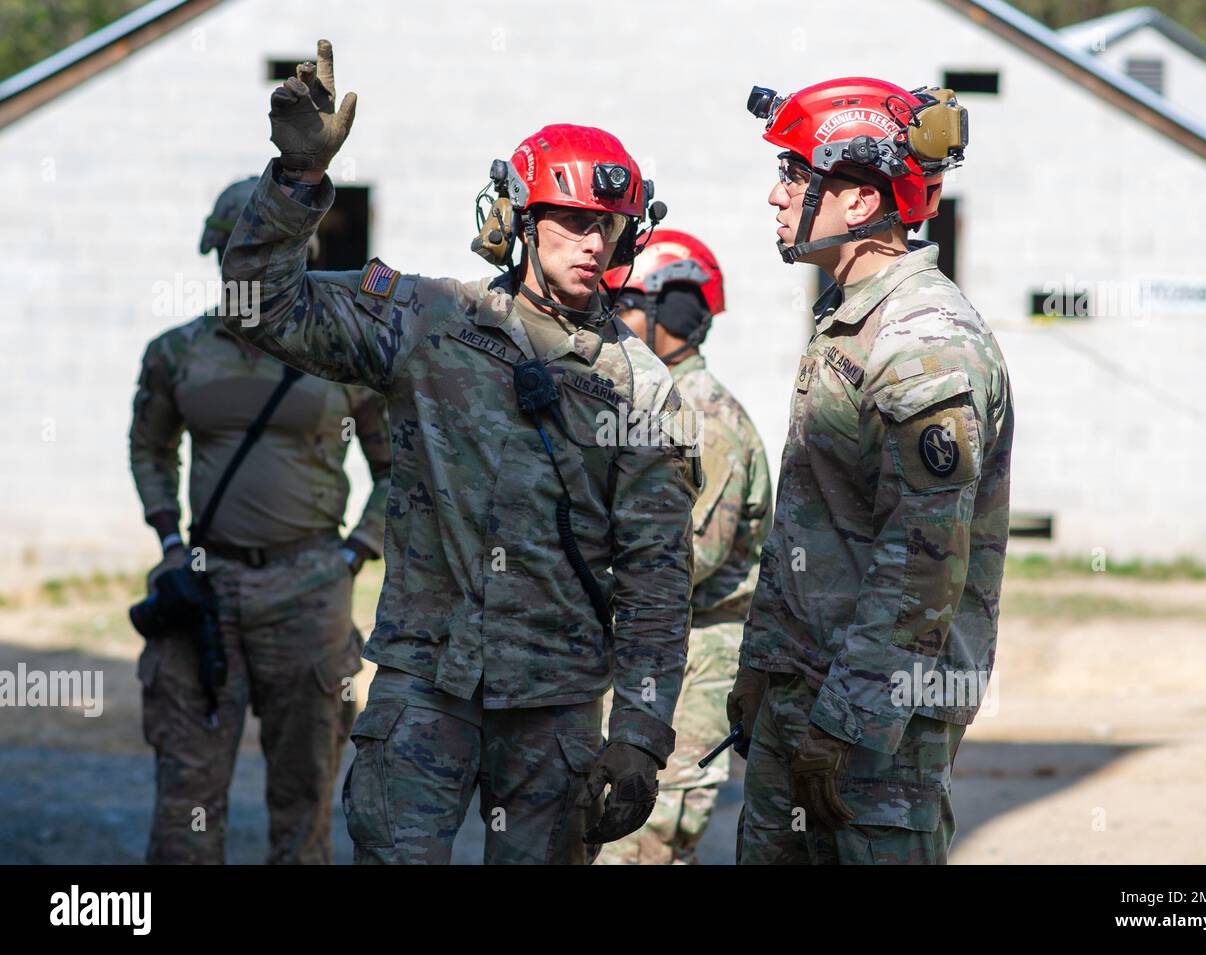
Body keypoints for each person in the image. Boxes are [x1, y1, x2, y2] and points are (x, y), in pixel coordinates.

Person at [218, 40, 698, 864]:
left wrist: (642, 736)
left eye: (608, 227)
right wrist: (294, 183)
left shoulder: (640, 389)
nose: (591, 243)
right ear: (517, 221)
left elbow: (657, 577)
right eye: (571, 221)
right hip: (425, 685)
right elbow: (255, 307)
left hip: (556, 713)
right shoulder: (426, 319)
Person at [728, 78, 1014, 864]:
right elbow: (815, 522)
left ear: (858, 202)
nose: (774, 195)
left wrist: (845, 724)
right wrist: (762, 668)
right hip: (805, 699)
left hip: (872, 733)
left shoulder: (924, 342)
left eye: (792, 172)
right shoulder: (852, 319)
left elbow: (922, 563)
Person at [129, 175, 390, 864]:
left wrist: (357, 550)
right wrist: (167, 538)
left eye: (271, 253)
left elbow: (402, 465)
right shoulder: (178, 352)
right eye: (241, 251)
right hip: (203, 586)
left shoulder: (344, 350)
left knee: (304, 799)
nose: (251, 266)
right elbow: (151, 446)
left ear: (301, 254)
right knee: (186, 797)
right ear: (218, 252)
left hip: (310, 586)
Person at [596, 230, 772, 864]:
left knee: (644, 845)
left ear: (669, 314)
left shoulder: (703, 420)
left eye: (625, 307)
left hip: (695, 662)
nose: (611, 322)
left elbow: (683, 565)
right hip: (651, 656)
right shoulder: (649, 404)